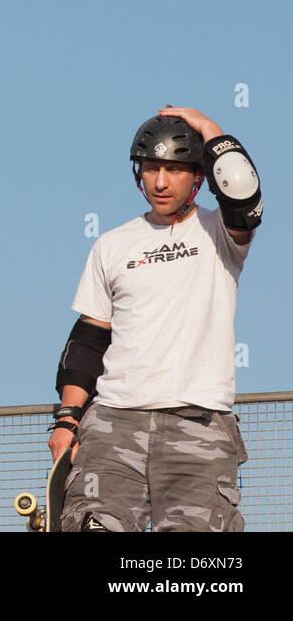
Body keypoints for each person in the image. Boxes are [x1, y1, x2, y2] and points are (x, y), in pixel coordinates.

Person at [50, 107, 262, 531]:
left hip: (197, 424)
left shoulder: (220, 231)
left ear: (199, 174)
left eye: (173, 169)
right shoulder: (112, 245)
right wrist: (68, 419)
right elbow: (89, 340)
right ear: (138, 172)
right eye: (151, 168)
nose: (160, 182)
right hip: (114, 424)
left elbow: (242, 191)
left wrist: (211, 131)